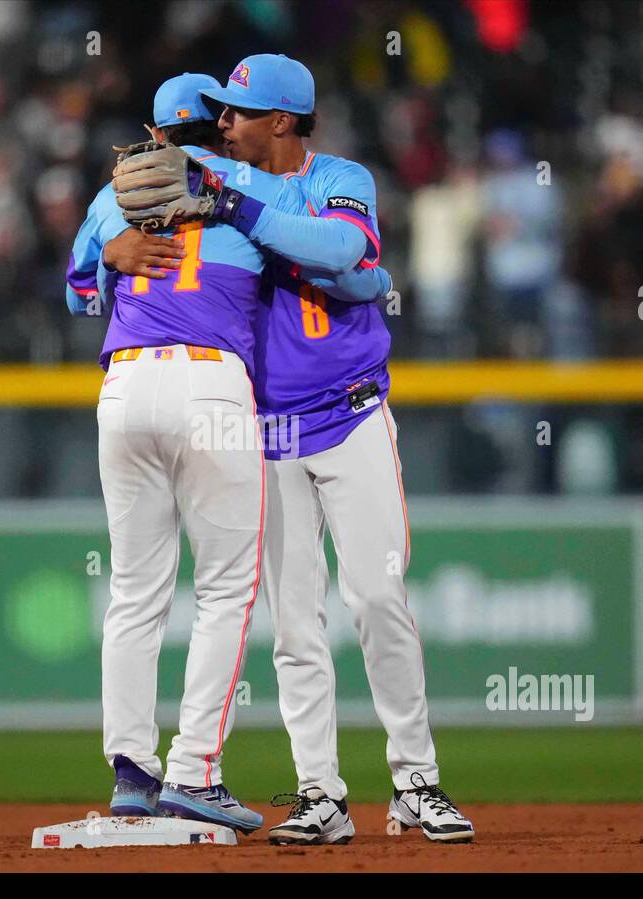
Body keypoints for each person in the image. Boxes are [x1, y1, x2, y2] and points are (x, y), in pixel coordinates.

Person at [114, 54, 474, 844]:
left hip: (350, 418)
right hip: (267, 433)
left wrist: (243, 213)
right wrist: (112, 252)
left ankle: (417, 782)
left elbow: (345, 256)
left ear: (282, 120)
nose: (223, 125)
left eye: (238, 113)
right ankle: (322, 794)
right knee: (297, 627)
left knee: (379, 602)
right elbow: (114, 255)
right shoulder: (211, 189)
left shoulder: (336, 176)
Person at [65, 73, 389, 834]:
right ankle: (193, 774)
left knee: (134, 591)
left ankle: (130, 774)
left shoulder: (115, 195)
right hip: (210, 390)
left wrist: (110, 256)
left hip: (124, 388)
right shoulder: (242, 182)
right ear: (220, 124)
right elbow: (341, 254)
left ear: (152, 134)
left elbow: (78, 290)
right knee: (224, 591)